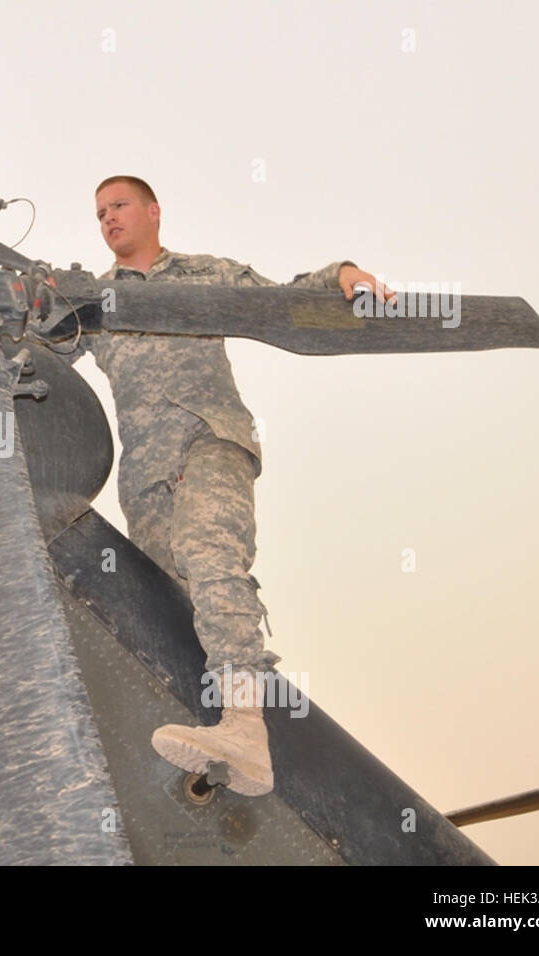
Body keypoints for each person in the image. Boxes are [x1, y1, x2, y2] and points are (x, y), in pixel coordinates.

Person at [82, 175, 395, 796]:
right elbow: (34, 348)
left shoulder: (203, 275)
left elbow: (282, 300)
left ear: (152, 211)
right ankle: (222, 743)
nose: (108, 219)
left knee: (209, 551)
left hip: (211, 442)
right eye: (98, 214)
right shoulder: (93, 303)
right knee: (171, 601)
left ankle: (245, 725)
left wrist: (344, 273)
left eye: (118, 206)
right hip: (145, 478)